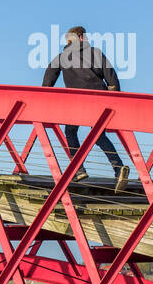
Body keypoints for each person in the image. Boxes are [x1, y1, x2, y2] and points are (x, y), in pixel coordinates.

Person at [42, 25, 130, 191]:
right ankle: (118, 168)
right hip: (100, 101)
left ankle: (79, 169)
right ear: (81, 37)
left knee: (71, 131)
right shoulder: (95, 53)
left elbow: (47, 84)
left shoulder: (61, 58)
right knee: (98, 135)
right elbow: (112, 79)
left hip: (76, 103)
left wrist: (47, 102)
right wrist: (114, 98)